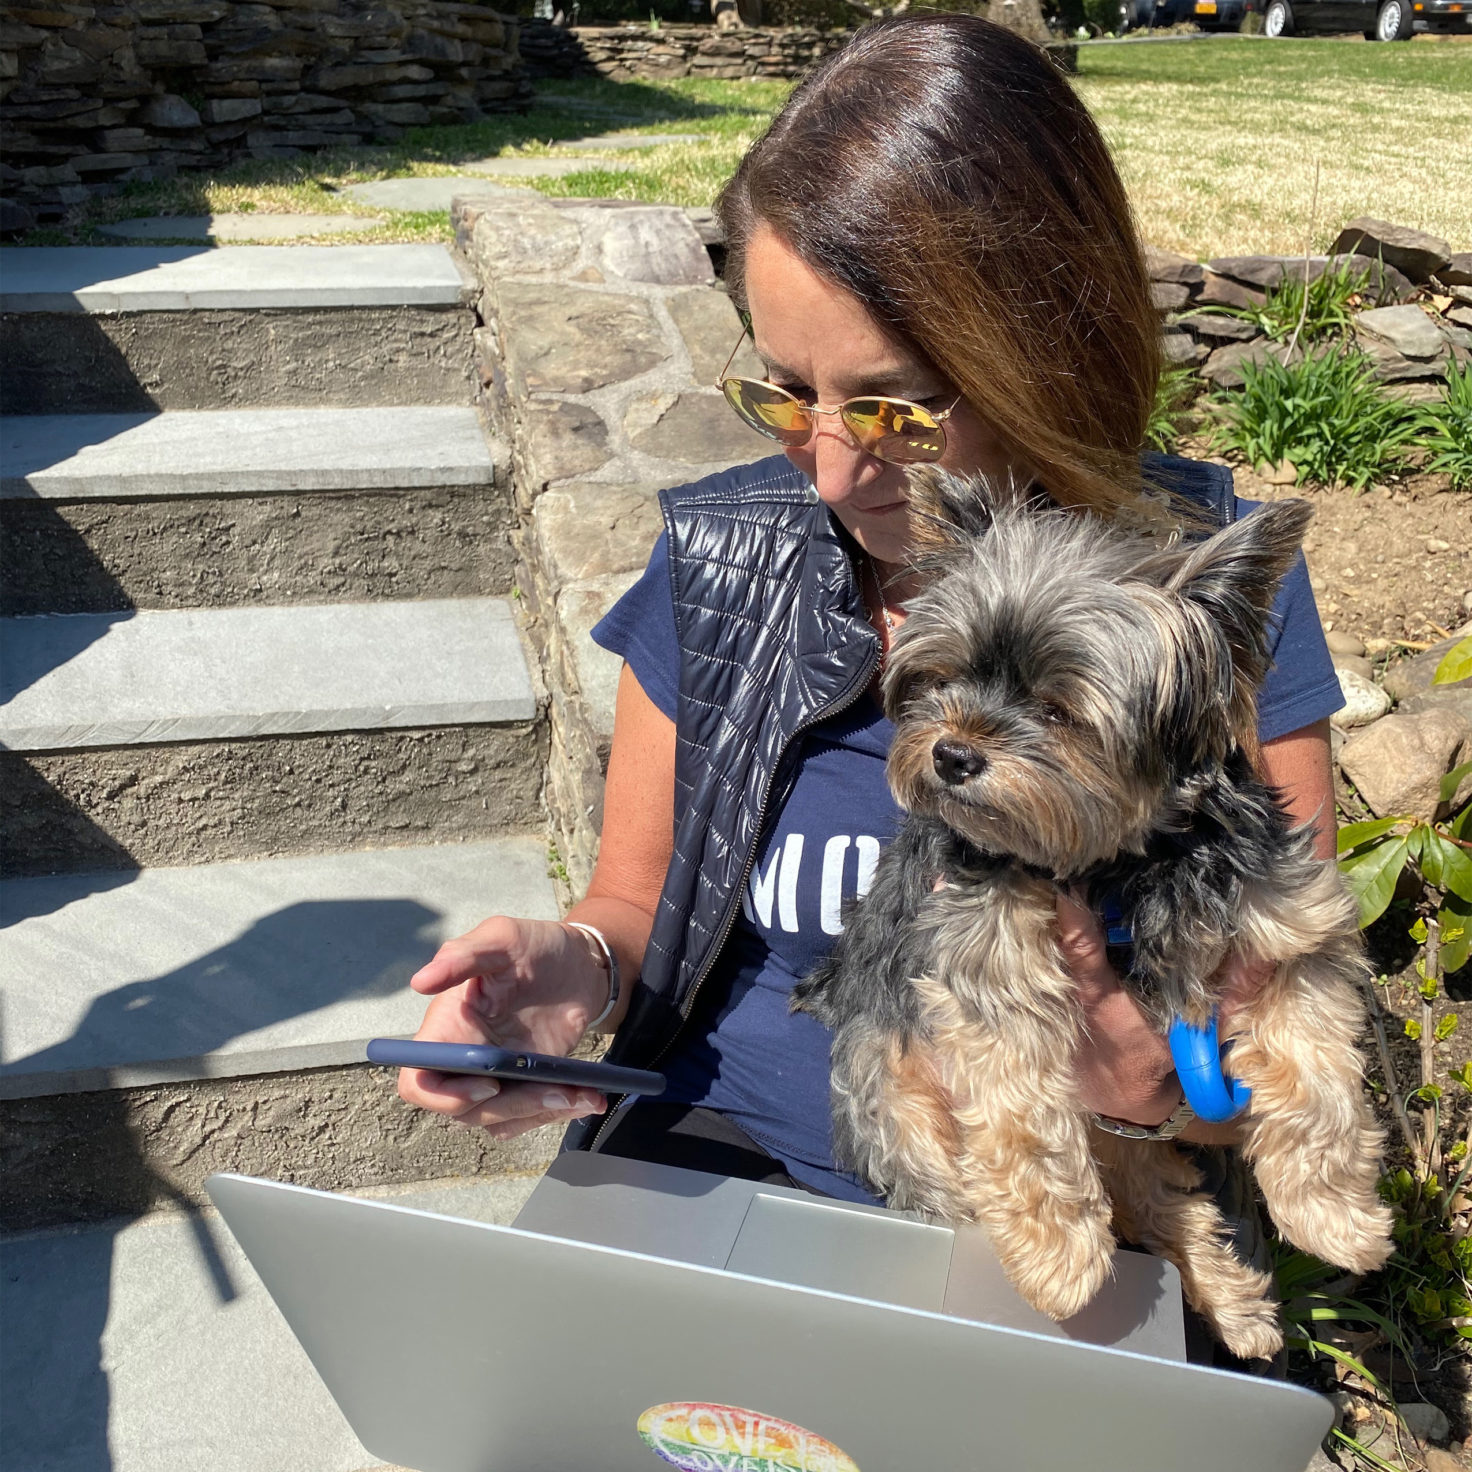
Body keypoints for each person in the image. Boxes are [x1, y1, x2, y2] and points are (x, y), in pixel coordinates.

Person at [397, 12, 1343, 1350]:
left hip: (1063, 1238)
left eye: (896, 408)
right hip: (715, 1168)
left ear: (1044, 346)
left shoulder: (1200, 611)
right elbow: (635, 895)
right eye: (789, 393)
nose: (832, 469)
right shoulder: (724, 557)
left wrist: (1168, 1088)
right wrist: (576, 973)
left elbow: (1278, 995)